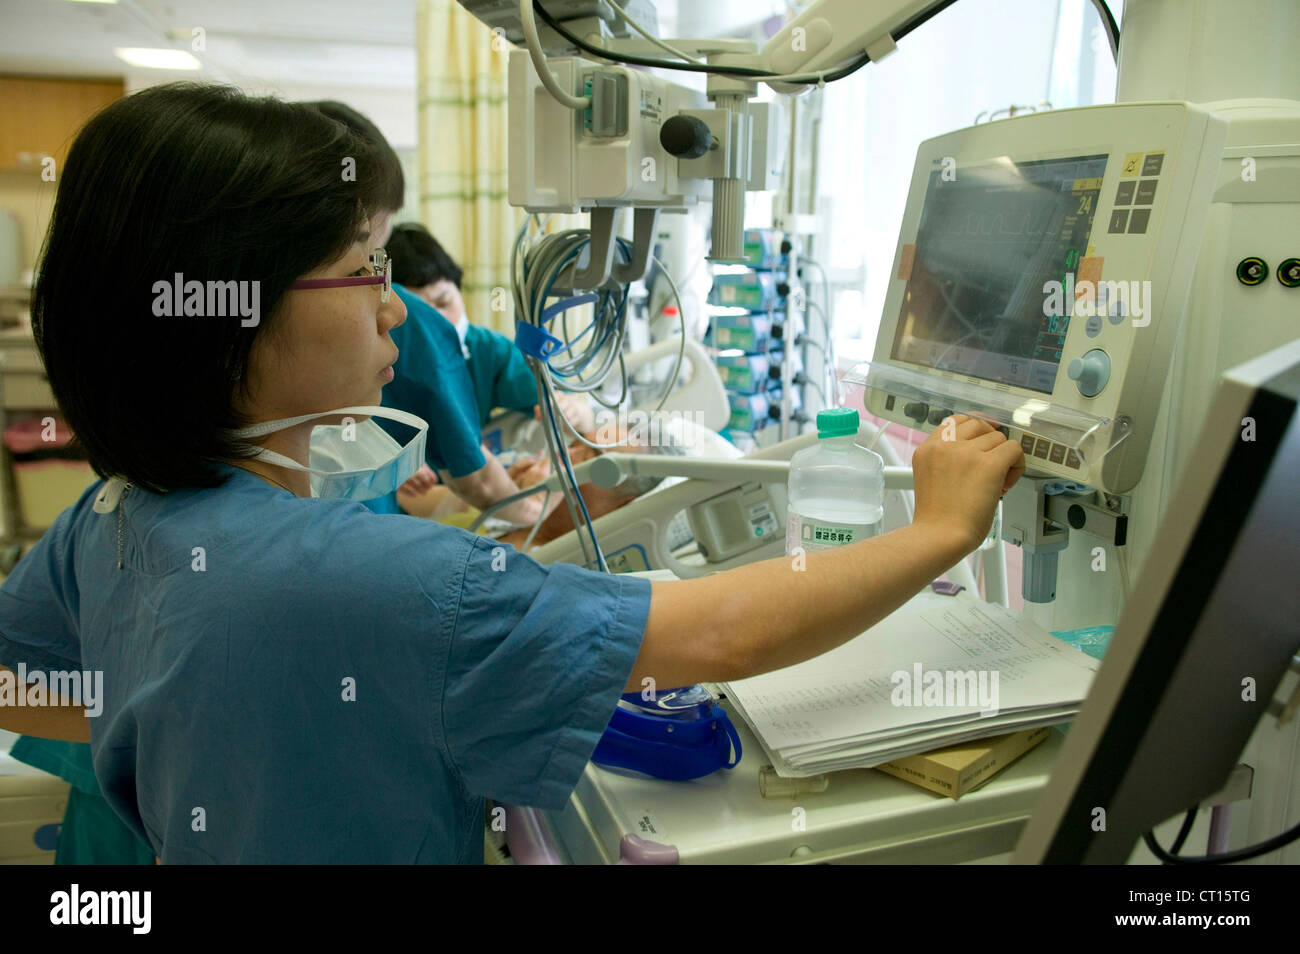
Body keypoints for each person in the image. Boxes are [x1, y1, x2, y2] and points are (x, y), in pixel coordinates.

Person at [0, 83, 1023, 863]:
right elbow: (722, 633)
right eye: (365, 270)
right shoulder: (359, 577)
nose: (394, 307)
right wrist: (935, 530)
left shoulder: (117, 515)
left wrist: (185, 719)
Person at [309, 101, 551, 527]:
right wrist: (542, 519)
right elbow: (477, 481)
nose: (396, 309)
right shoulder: (417, 332)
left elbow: (556, 402)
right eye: (362, 266)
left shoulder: (482, 349)